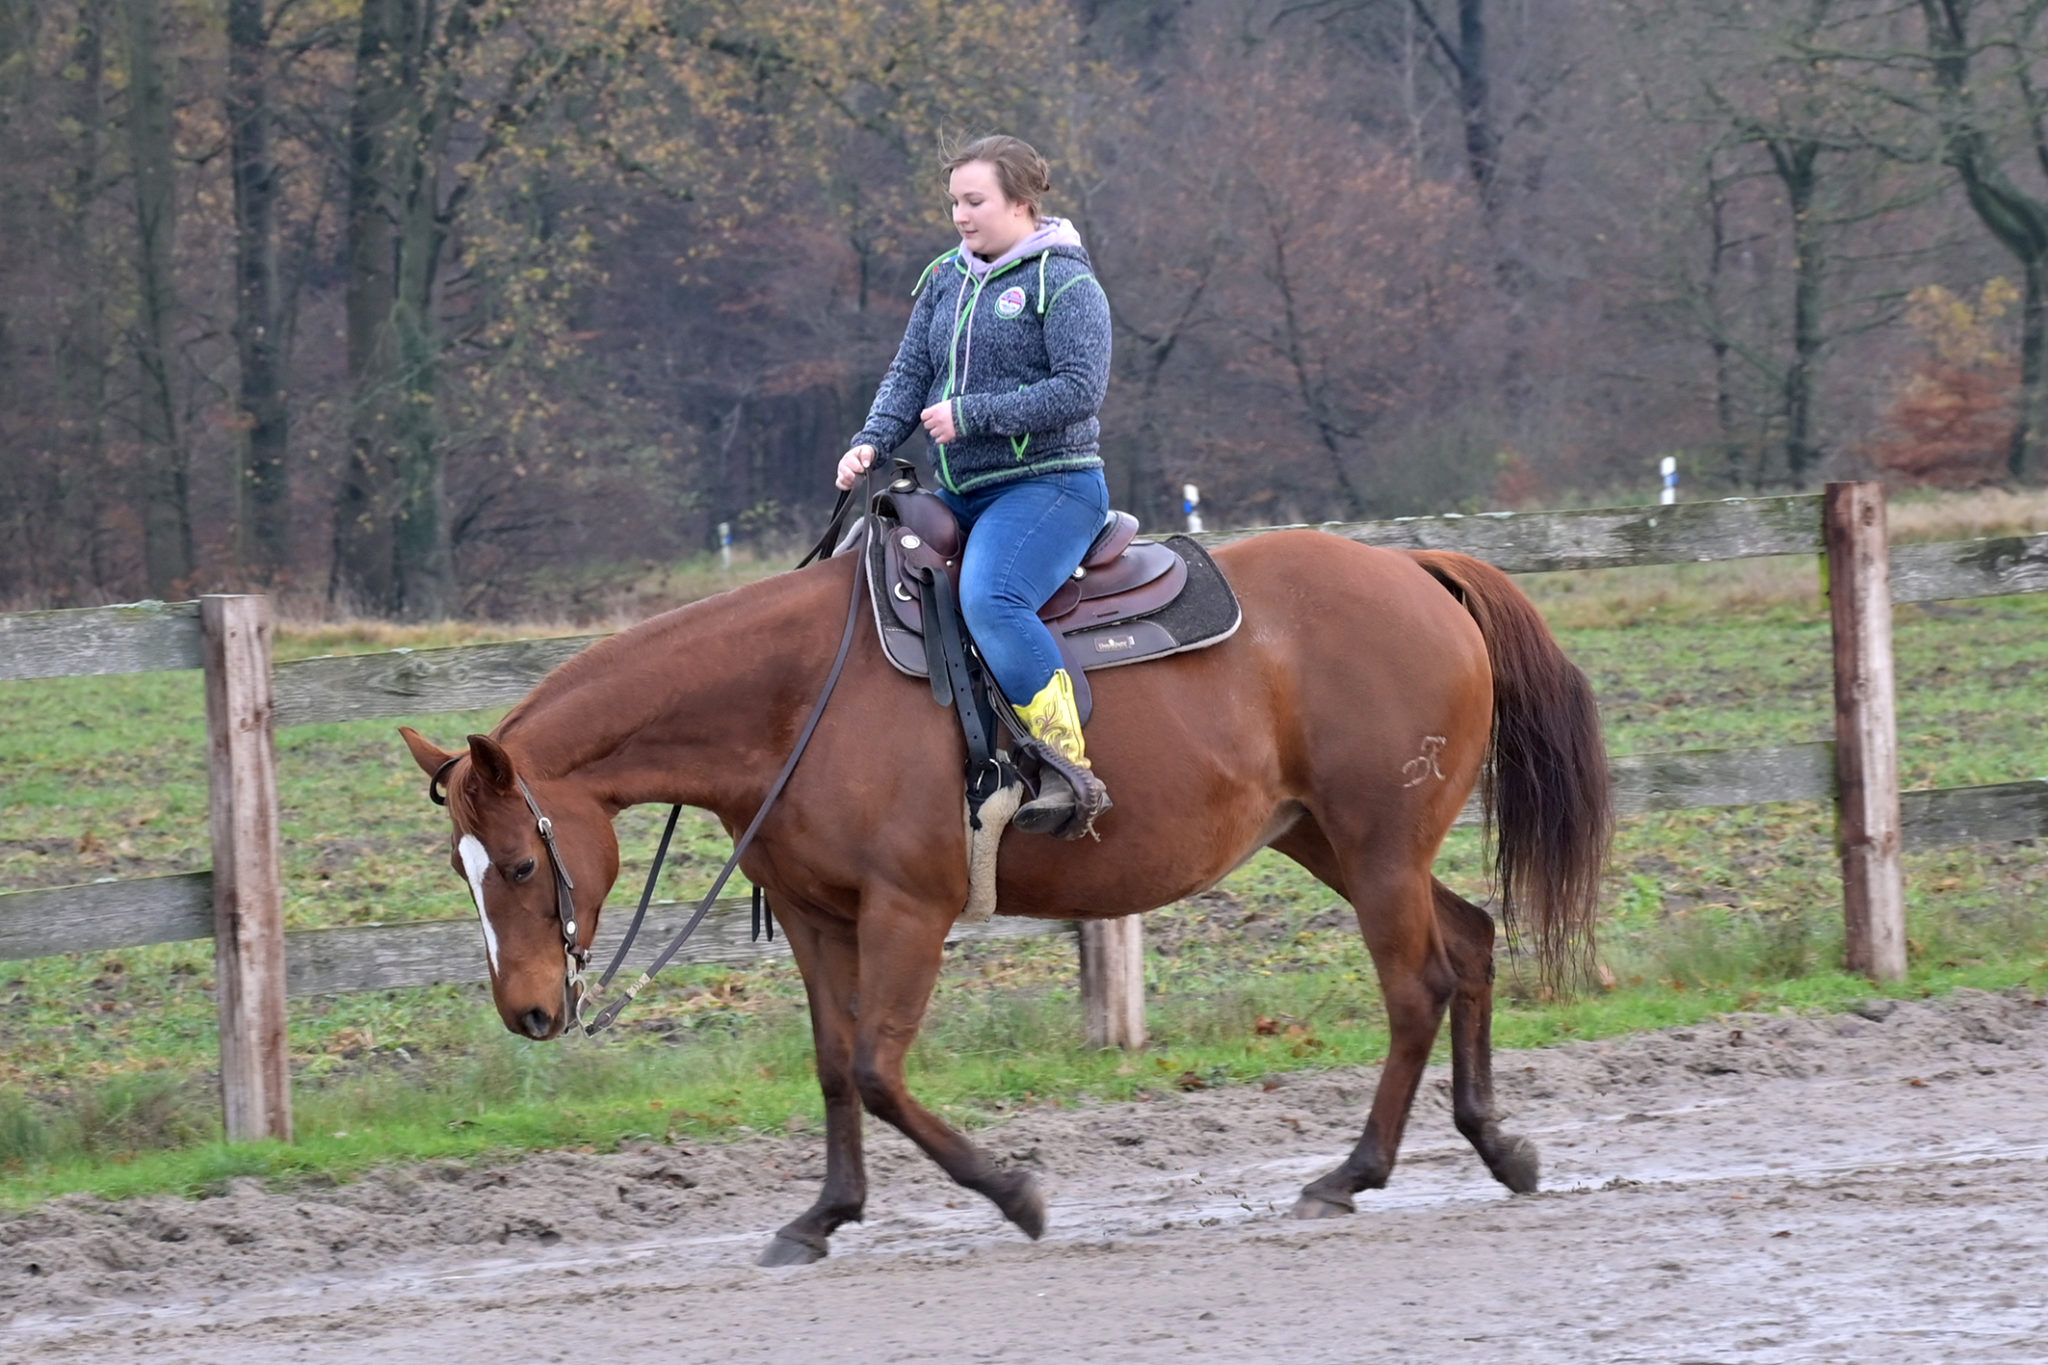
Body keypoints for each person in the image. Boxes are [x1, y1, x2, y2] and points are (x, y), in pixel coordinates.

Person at [836, 134, 1114, 834]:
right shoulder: (943, 280)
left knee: (991, 595)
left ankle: (1065, 765)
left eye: (974, 200)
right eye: (954, 201)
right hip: (961, 489)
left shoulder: (1067, 282)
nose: (960, 214)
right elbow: (907, 376)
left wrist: (973, 414)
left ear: (1021, 201)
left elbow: (1080, 390)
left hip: (1051, 485)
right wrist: (870, 441)